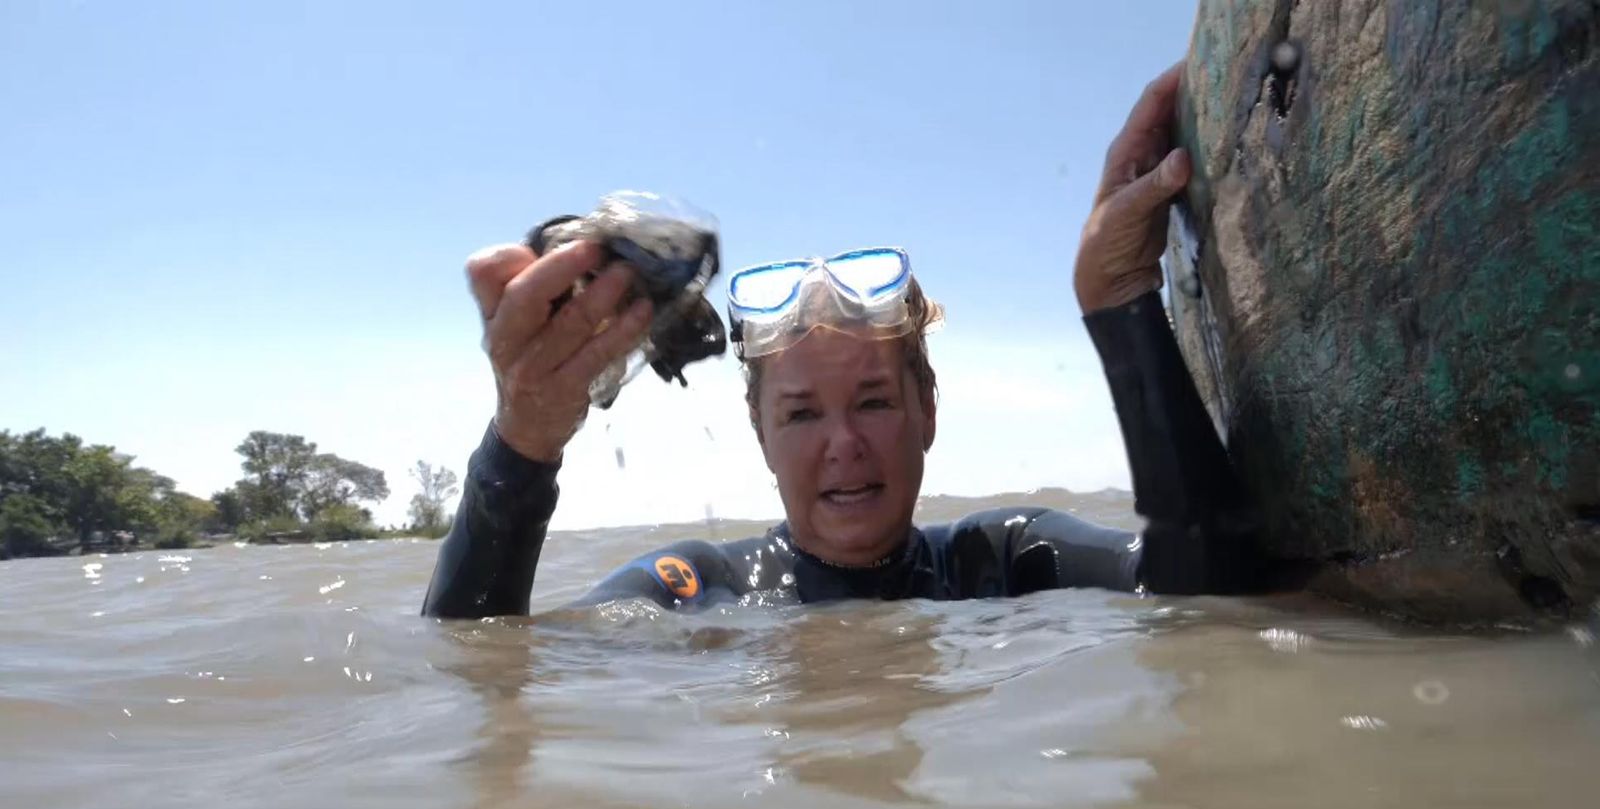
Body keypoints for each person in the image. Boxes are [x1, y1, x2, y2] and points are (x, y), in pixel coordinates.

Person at [421, 63, 1261, 619]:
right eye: (801, 414)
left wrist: (1120, 302)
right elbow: (481, 670)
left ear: (927, 410)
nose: (844, 445)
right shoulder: (700, 589)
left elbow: (1208, 595)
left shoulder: (1005, 560)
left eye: (874, 401)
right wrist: (524, 442)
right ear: (761, 434)